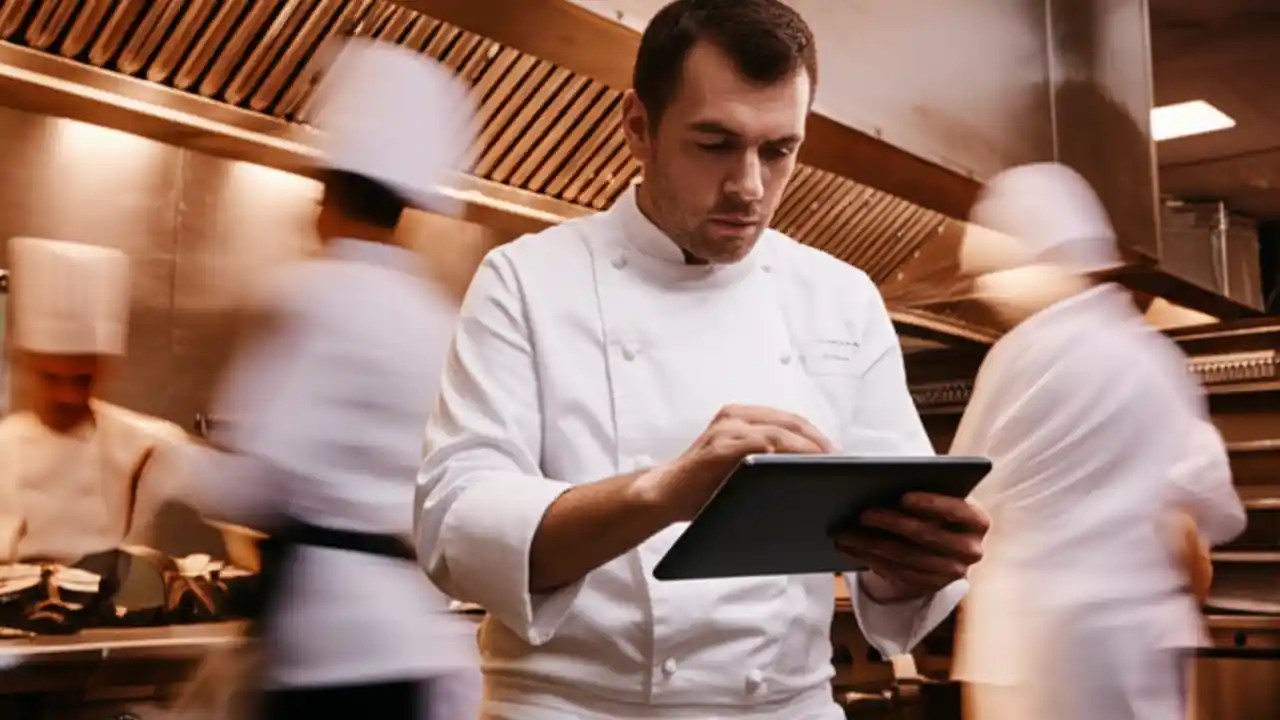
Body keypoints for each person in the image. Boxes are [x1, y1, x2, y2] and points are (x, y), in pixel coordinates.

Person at [415, 1, 989, 717]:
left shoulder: (840, 297)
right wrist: (666, 492)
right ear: (638, 128)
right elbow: (459, 528)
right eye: (714, 143)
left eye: (779, 150)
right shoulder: (526, 280)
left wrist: (917, 557)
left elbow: (888, 561)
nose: (749, 186)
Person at [185, 38, 482, 719]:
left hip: (332, 648)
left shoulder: (312, 296)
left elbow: (256, 483)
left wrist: (158, 458)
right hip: (419, 644)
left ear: (327, 193)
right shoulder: (436, 316)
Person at [947, 163, 1246, 720]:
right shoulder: (1156, 360)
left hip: (1030, 652)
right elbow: (1191, 548)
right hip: (1135, 652)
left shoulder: (1018, 356)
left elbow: (958, 509)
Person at [0, 237, 190, 566]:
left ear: (105, 370)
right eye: (51, 378)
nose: (68, 396)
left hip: (121, 613)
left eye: (82, 380)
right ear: (25, 364)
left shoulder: (148, 444)